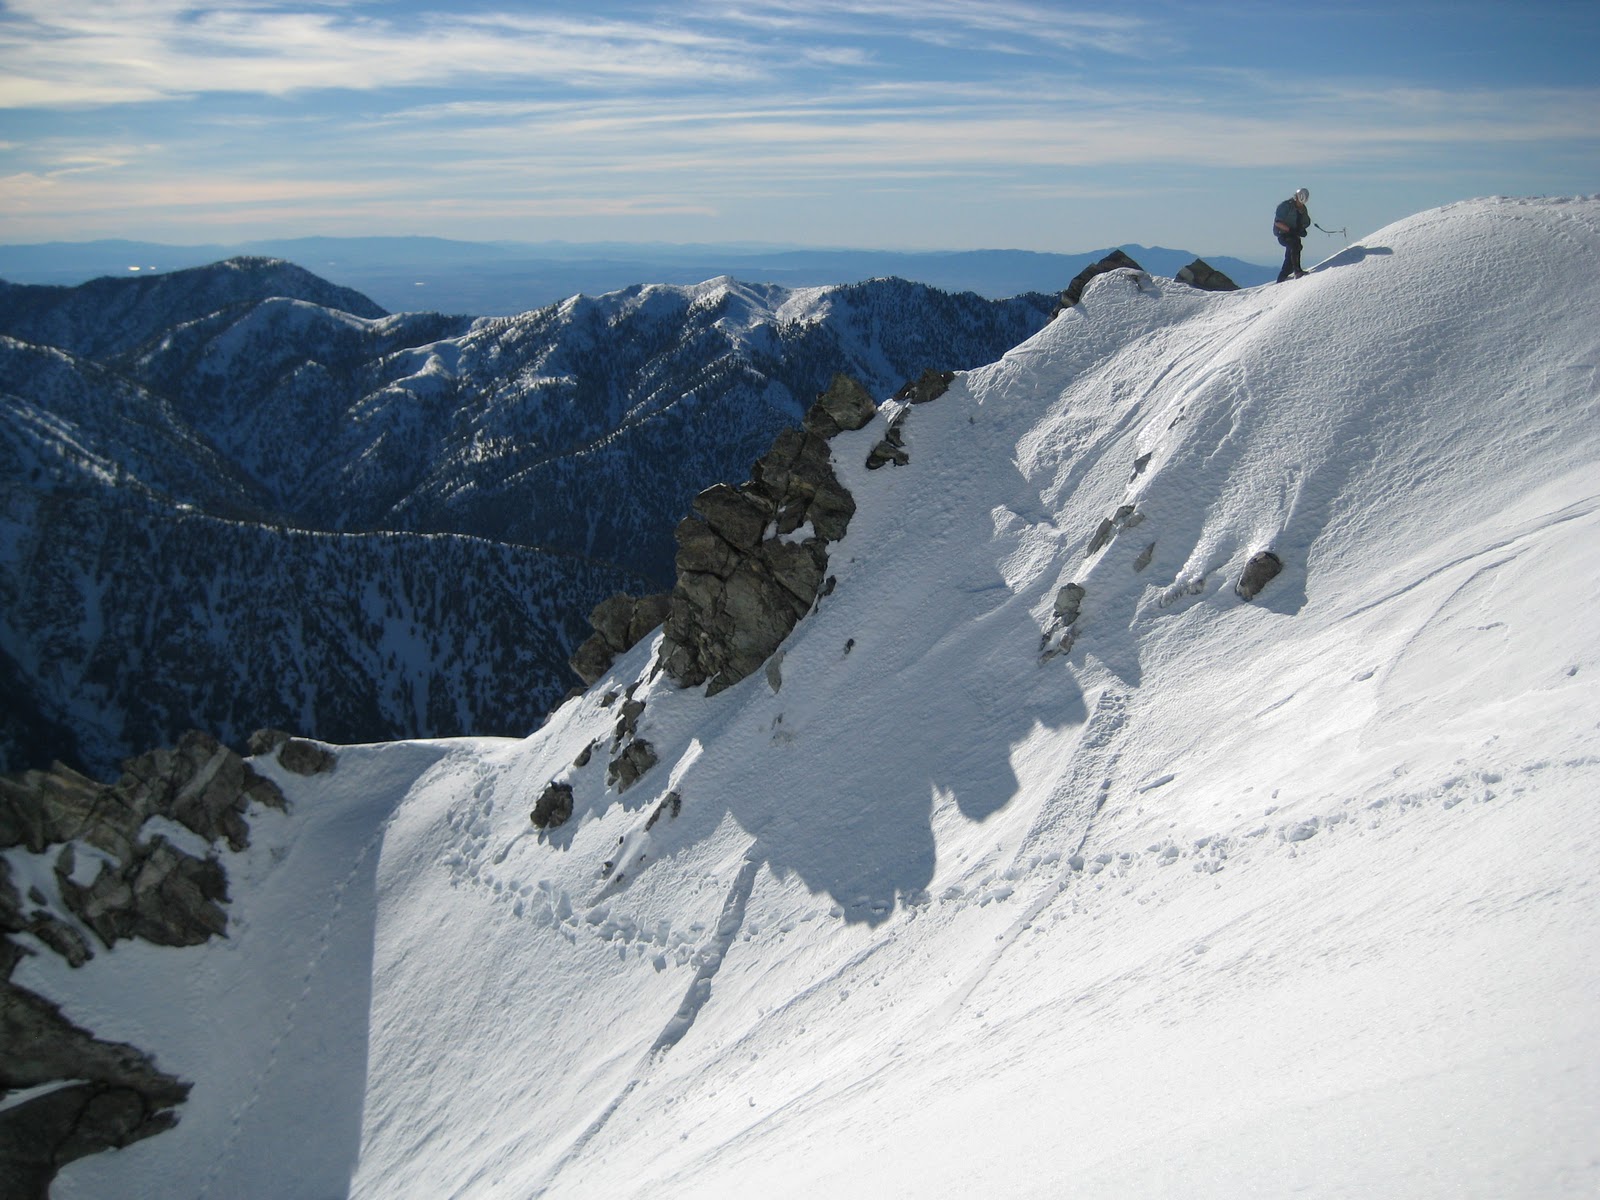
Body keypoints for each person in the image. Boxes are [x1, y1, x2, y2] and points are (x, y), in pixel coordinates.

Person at [1274, 187, 1311, 281]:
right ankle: (1297, 271)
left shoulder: (1303, 209)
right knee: (1295, 246)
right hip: (1283, 234)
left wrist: (1301, 230)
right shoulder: (1286, 206)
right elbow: (1278, 222)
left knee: (1292, 253)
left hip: (1293, 235)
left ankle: (1282, 278)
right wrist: (1290, 230)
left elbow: (1305, 222)